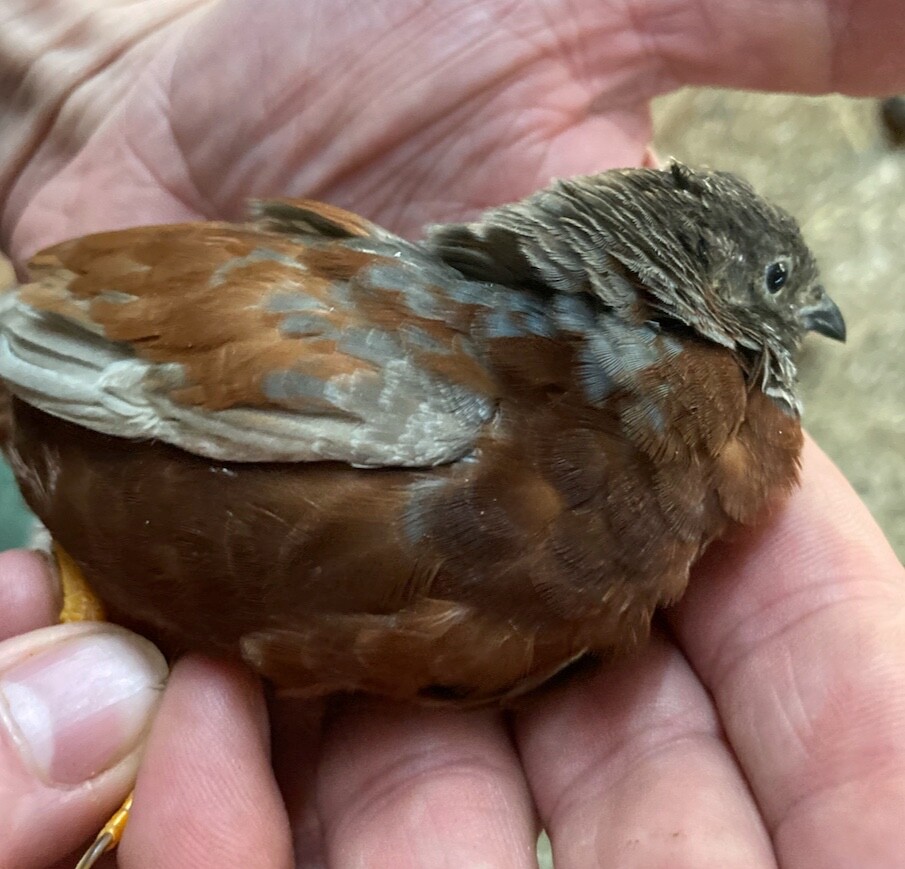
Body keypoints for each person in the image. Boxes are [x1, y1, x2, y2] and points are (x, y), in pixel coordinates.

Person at [1, 1, 904, 866]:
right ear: (704, 275)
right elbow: (54, 355)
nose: (812, 313)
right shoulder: (437, 365)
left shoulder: (645, 490)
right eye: (779, 279)